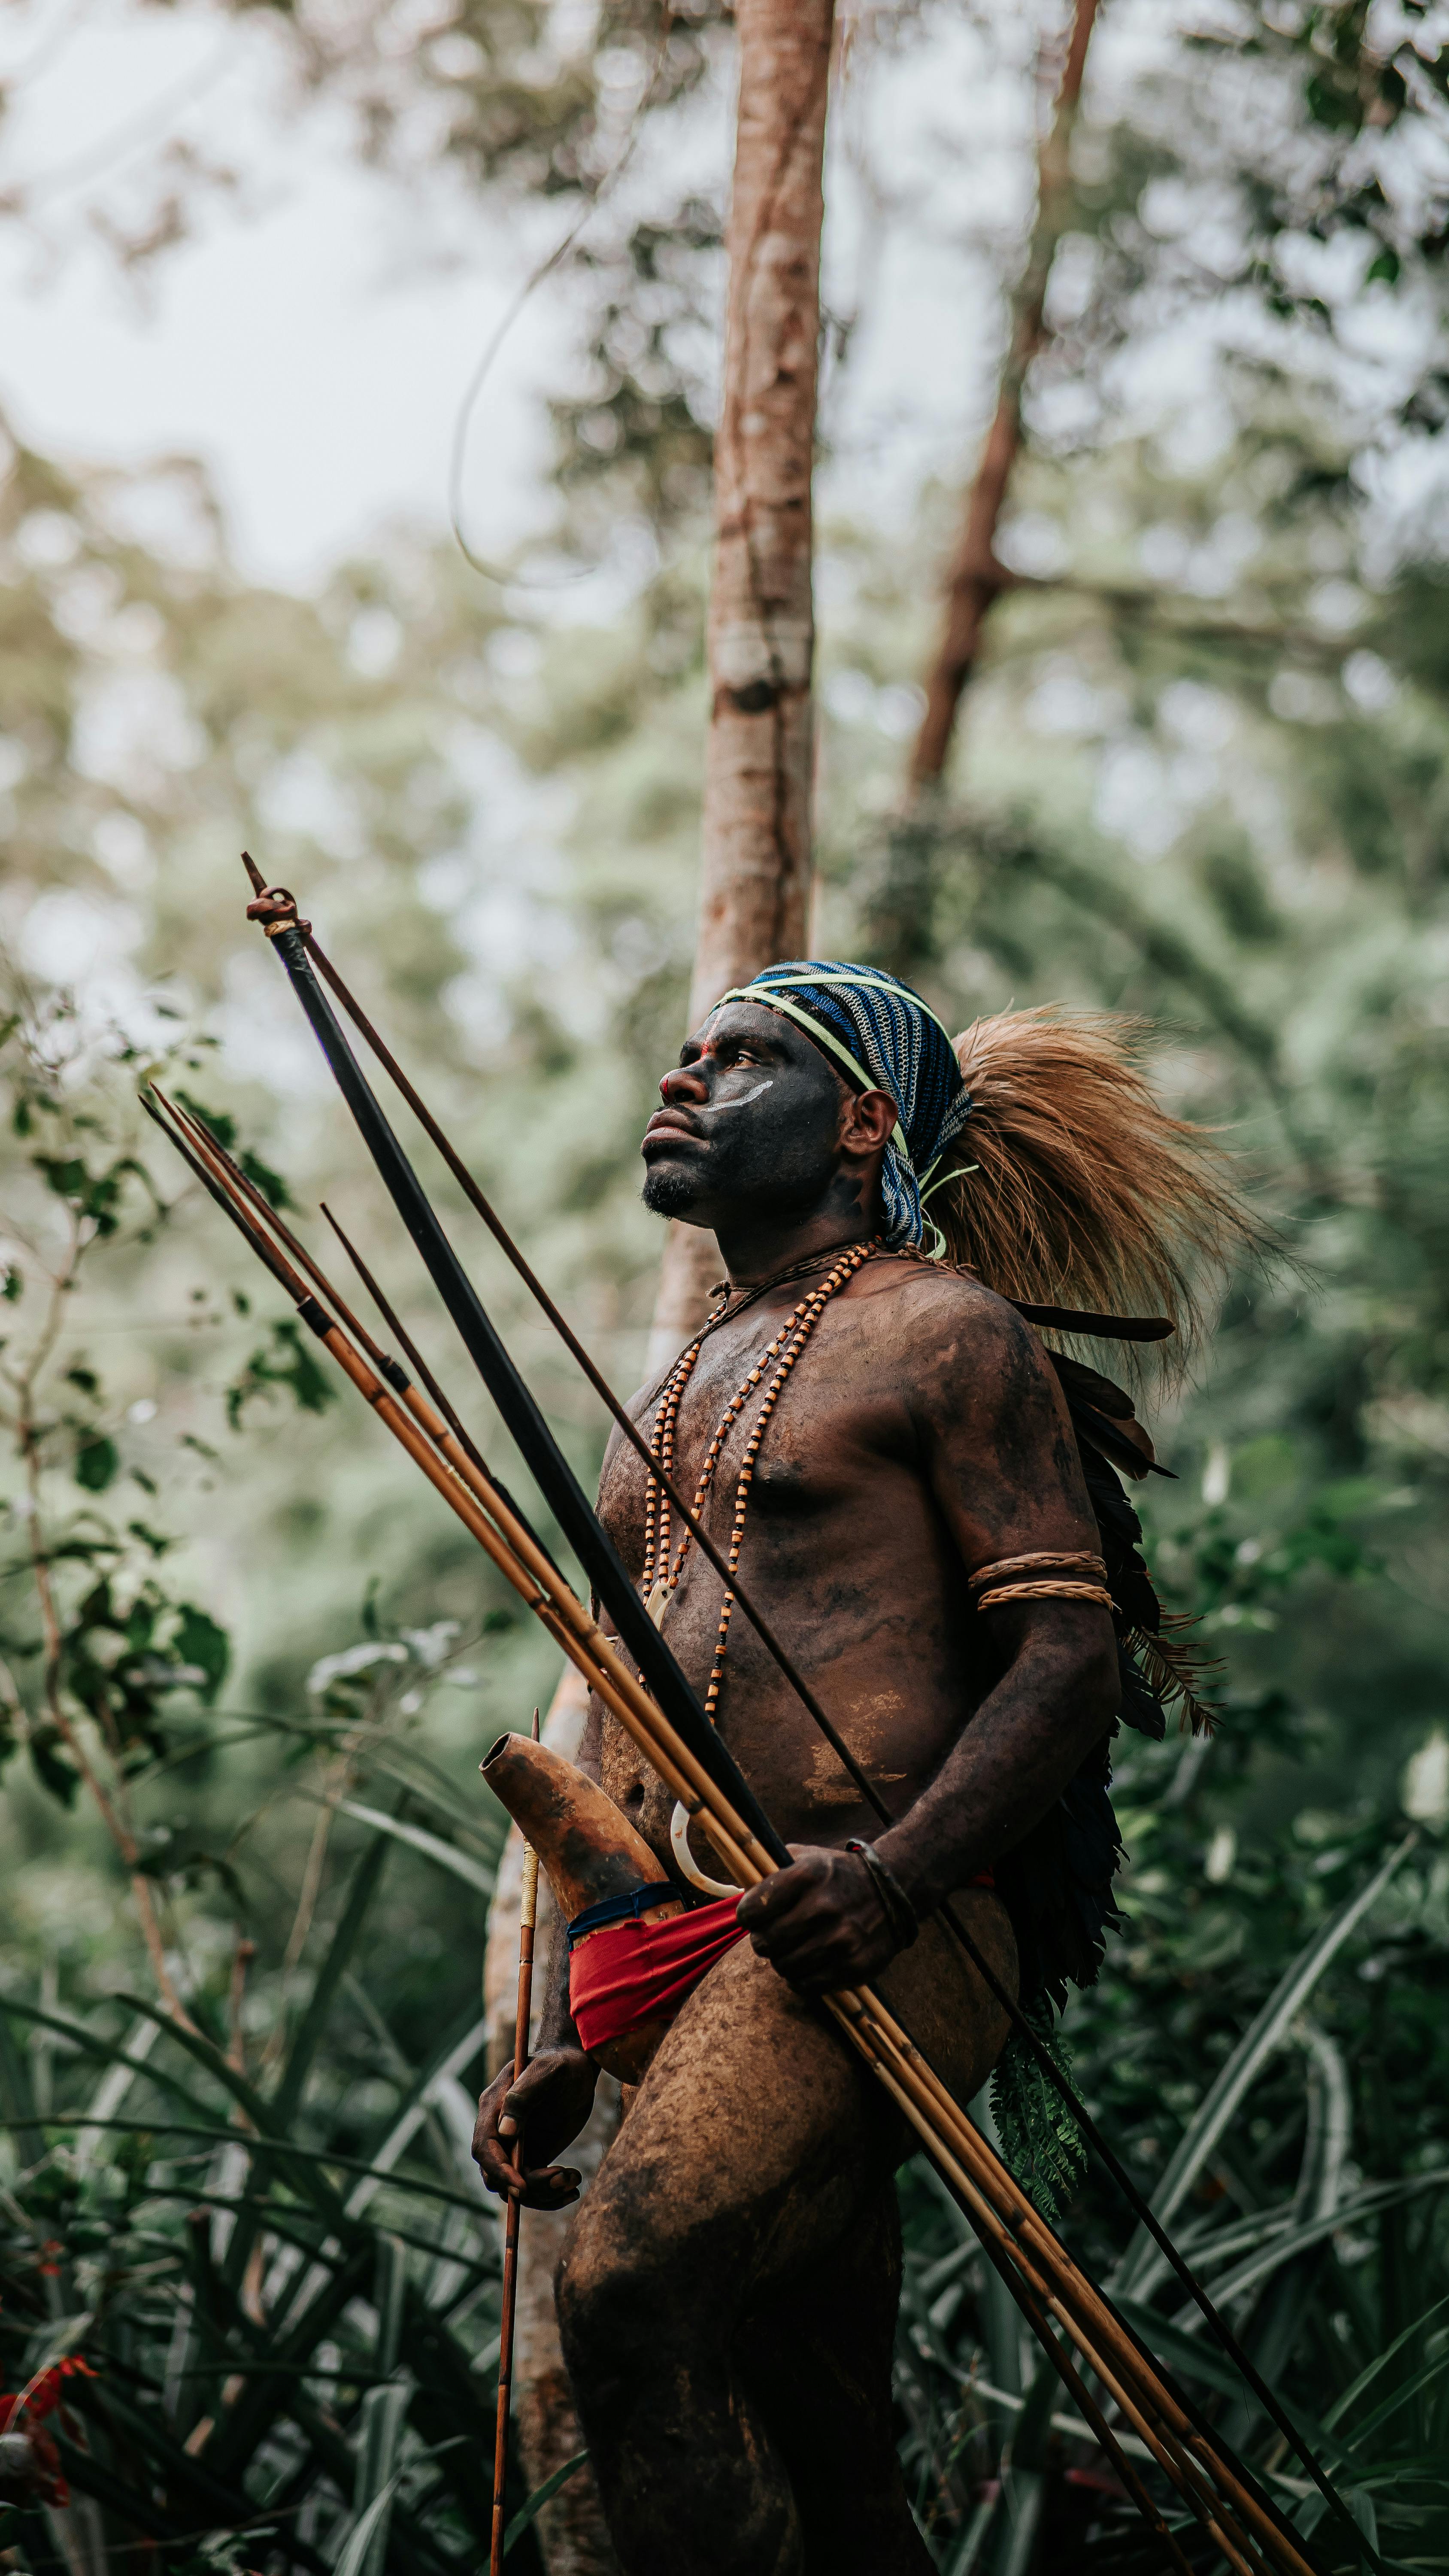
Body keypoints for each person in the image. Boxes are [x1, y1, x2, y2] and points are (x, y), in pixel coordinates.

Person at [472, 963, 1246, 2576]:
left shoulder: (940, 1332)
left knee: (629, 2285)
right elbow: (617, 1736)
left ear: (862, 1123)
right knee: (814, 2412)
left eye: (743, 1061)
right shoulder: (665, 1395)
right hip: (683, 1948)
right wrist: (560, 2030)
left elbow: (1067, 1657)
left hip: (883, 1919)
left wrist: (893, 1876)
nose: (687, 1079)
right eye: (688, 1055)